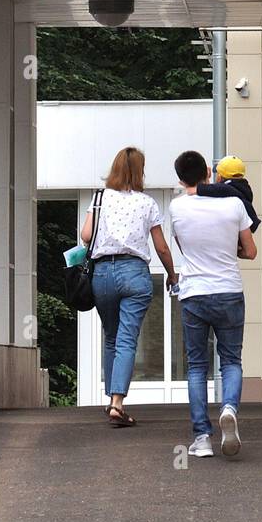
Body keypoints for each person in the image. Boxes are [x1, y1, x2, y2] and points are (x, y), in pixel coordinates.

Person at [167, 150, 257, 458]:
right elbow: (251, 250)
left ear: (180, 179)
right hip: (229, 290)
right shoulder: (234, 204)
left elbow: (183, 246)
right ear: (209, 171)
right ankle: (229, 408)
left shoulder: (176, 207)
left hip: (193, 292)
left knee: (196, 366)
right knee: (231, 360)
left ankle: (202, 438)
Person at [81, 146, 178, 428]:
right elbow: (161, 246)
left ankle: (111, 398)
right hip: (134, 273)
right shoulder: (147, 203)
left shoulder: (99, 198)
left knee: (111, 336)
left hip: (102, 274)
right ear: (139, 171)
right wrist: (172, 274)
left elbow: (86, 235)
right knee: (126, 339)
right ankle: (117, 403)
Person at [194, 154, 261, 231]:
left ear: (219, 176)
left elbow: (205, 189)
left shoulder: (225, 189)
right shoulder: (244, 188)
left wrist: (205, 178)